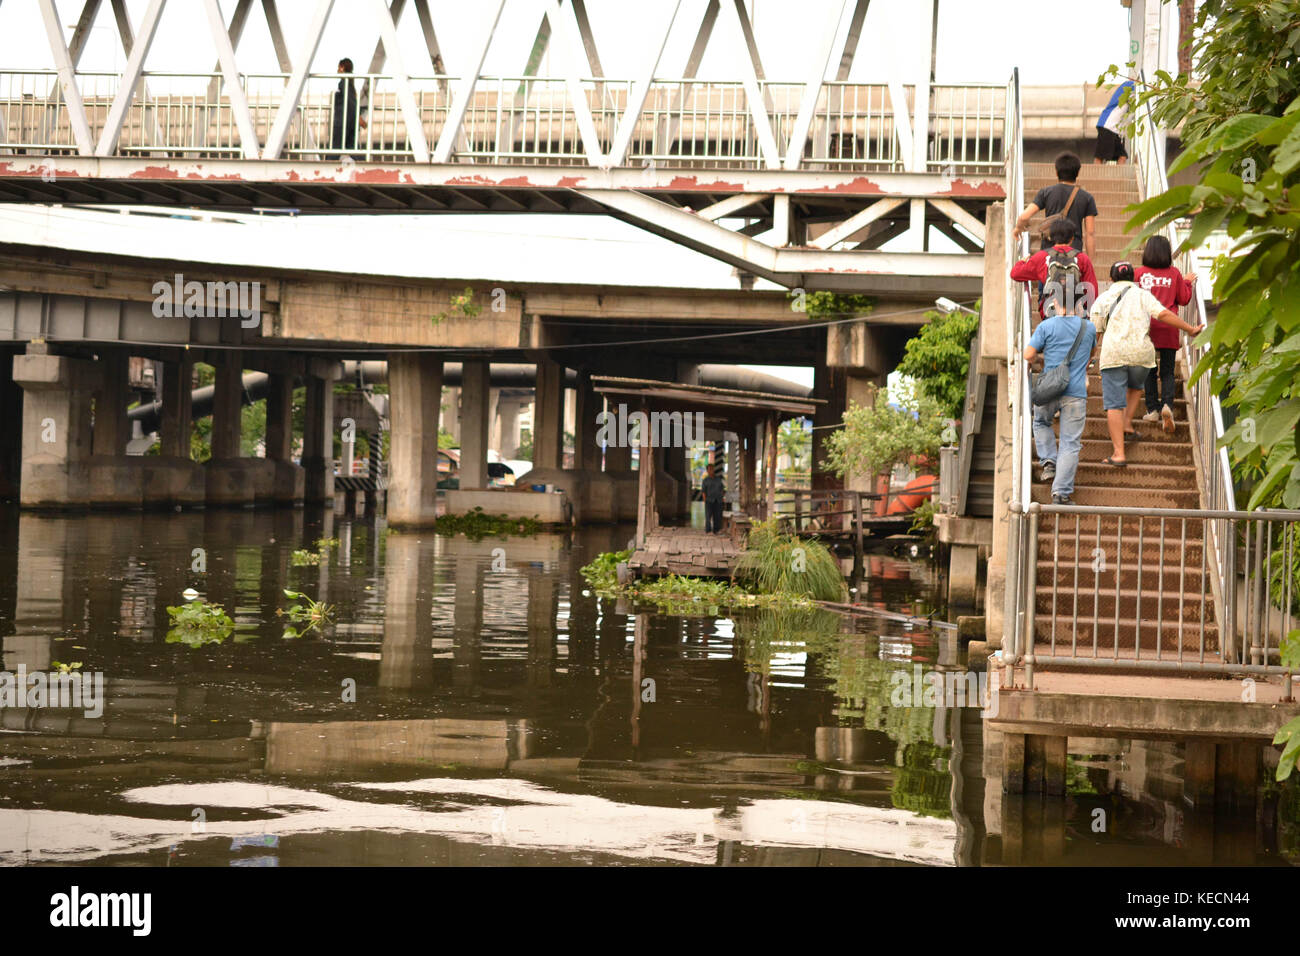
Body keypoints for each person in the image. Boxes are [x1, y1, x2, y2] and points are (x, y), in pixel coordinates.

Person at [1091, 261, 1205, 467]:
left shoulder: (1103, 298)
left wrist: (1089, 359)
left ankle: (1118, 453)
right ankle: (1127, 424)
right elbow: (1164, 314)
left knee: (1114, 405)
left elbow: (1095, 334)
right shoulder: (1143, 295)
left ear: (1110, 279)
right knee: (1135, 386)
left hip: (1114, 355)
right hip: (1142, 355)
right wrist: (1189, 329)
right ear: (1134, 278)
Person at [1024, 284, 1096, 505]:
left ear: (1055, 303)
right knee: (1070, 443)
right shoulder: (1089, 328)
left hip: (1048, 389)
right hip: (1075, 393)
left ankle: (1049, 462)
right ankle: (1061, 493)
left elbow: (1028, 355)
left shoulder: (1047, 326)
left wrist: (1041, 360)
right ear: (1080, 304)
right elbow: (1091, 353)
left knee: (1041, 423)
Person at [1134, 234, 1196, 434]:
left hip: (1146, 329)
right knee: (1168, 371)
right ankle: (1167, 405)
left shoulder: (1139, 274)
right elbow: (1184, 298)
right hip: (1169, 327)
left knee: (1149, 370)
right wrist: (1186, 283)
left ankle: (1152, 409)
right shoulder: (1174, 273)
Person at [1013, 151, 1098, 261]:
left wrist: (1018, 229)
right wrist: (1089, 263)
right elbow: (1090, 233)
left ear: (1057, 172)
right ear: (1077, 173)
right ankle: (1070, 279)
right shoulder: (1087, 198)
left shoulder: (1046, 192)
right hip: (1073, 253)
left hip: (1049, 252)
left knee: (1048, 276)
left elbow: (1024, 217)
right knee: (1071, 277)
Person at [1009, 218, 1099, 319]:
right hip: (1075, 312)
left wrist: (1022, 262)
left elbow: (1015, 274)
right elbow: (1092, 290)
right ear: (1072, 238)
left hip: (1051, 312)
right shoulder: (1082, 258)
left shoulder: (1042, 256)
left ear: (1051, 237)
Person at [331, 58, 365, 157]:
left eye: (338, 67)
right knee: (353, 148)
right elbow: (352, 101)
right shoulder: (350, 83)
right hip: (350, 121)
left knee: (336, 148)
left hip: (343, 121)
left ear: (342, 68)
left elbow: (350, 101)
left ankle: (328, 166)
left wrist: (358, 117)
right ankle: (361, 165)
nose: (337, 70)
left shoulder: (343, 83)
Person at [1095, 79, 1134, 165]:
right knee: (1100, 156)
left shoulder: (1131, 101)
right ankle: (1095, 176)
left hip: (1114, 130)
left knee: (1122, 156)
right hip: (1108, 125)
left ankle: (1119, 177)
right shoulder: (1130, 84)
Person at [702, 462, 726, 534]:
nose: (711, 471)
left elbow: (722, 490)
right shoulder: (705, 480)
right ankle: (708, 530)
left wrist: (723, 498)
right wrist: (704, 500)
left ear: (713, 470)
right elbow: (703, 491)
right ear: (707, 471)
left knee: (717, 516)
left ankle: (716, 530)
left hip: (718, 500)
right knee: (708, 516)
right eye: (709, 469)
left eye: (712, 469)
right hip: (709, 500)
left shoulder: (718, 479)